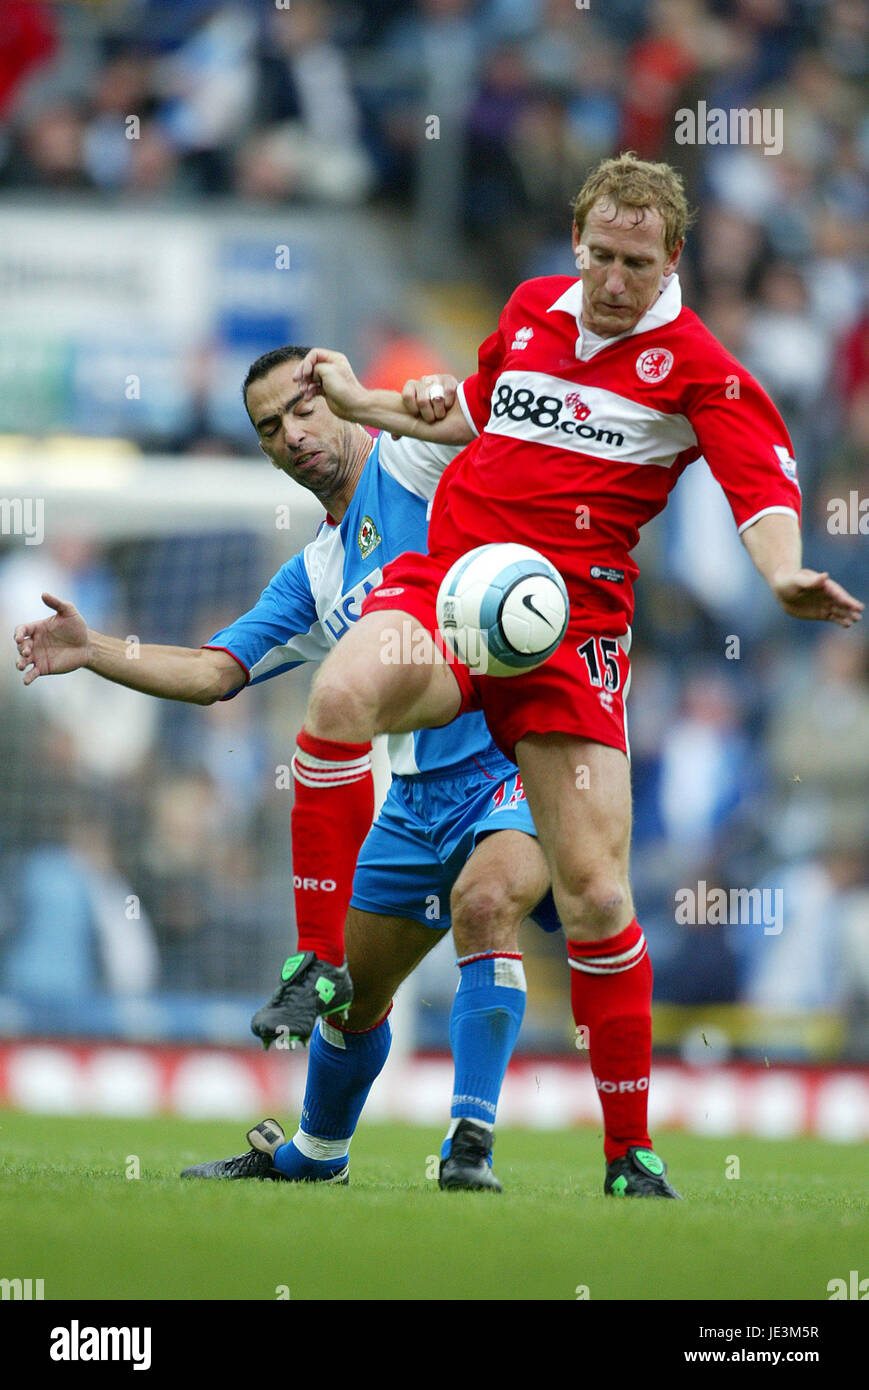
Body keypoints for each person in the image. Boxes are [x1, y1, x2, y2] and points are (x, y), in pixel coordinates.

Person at [252, 152, 864, 1199]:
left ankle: (628, 1151)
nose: (612, 281)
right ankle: (315, 963)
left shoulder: (699, 368)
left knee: (592, 896)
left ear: (672, 256)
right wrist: (363, 401)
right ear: (575, 244)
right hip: (448, 588)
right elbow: (473, 413)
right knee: (340, 696)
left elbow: (756, 479)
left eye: (633, 262)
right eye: (597, 257)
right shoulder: (534, 306)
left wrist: (780, 573)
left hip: (569, 638)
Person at [14, 347, 559, 1192]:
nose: (293, 434)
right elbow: (211, 673)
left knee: (484, 907)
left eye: (304, 410)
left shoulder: (415, 456)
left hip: (517, 759)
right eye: (270, 427)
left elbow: (497, 418)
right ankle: (317, 1154)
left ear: (337, 402)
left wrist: (411, 394)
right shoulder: (316, 571)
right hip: (414, 800)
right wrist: (94, 651)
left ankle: (469, 1145)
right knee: (353, 998)